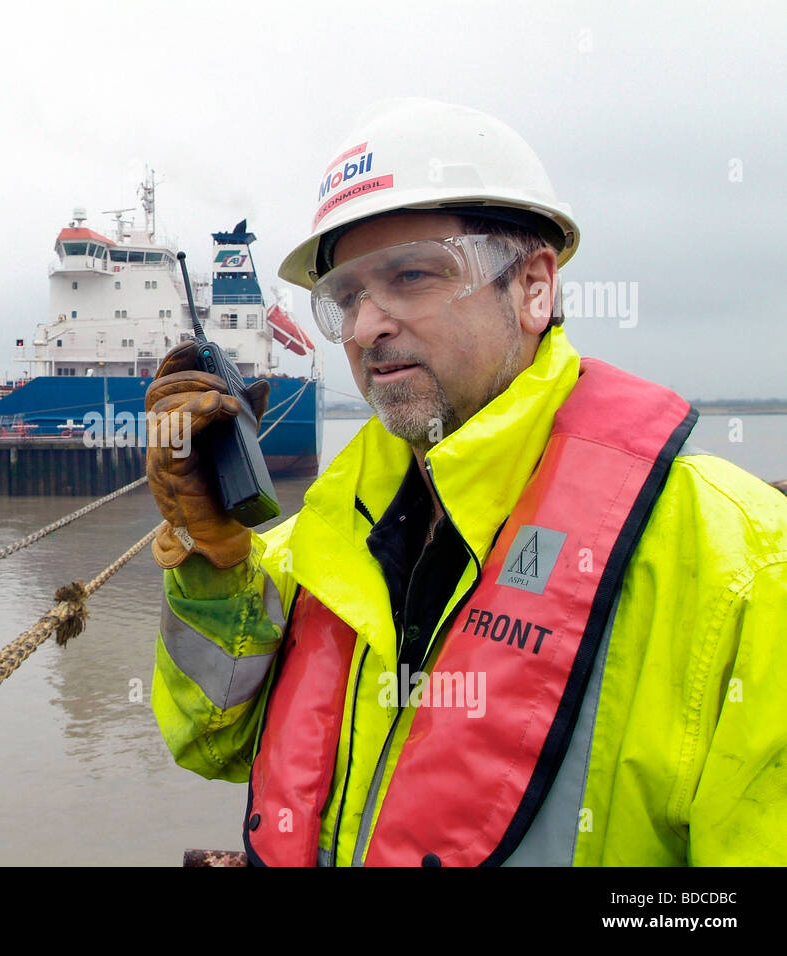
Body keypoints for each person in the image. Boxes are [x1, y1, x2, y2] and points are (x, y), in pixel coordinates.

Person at [144, 98, 787, 866]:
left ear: (534, 289)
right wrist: (214, 565)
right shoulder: (315, 546)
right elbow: (208, 740)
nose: (364, 327)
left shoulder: (744, 573)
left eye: (411, 275)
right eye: (345, 296)